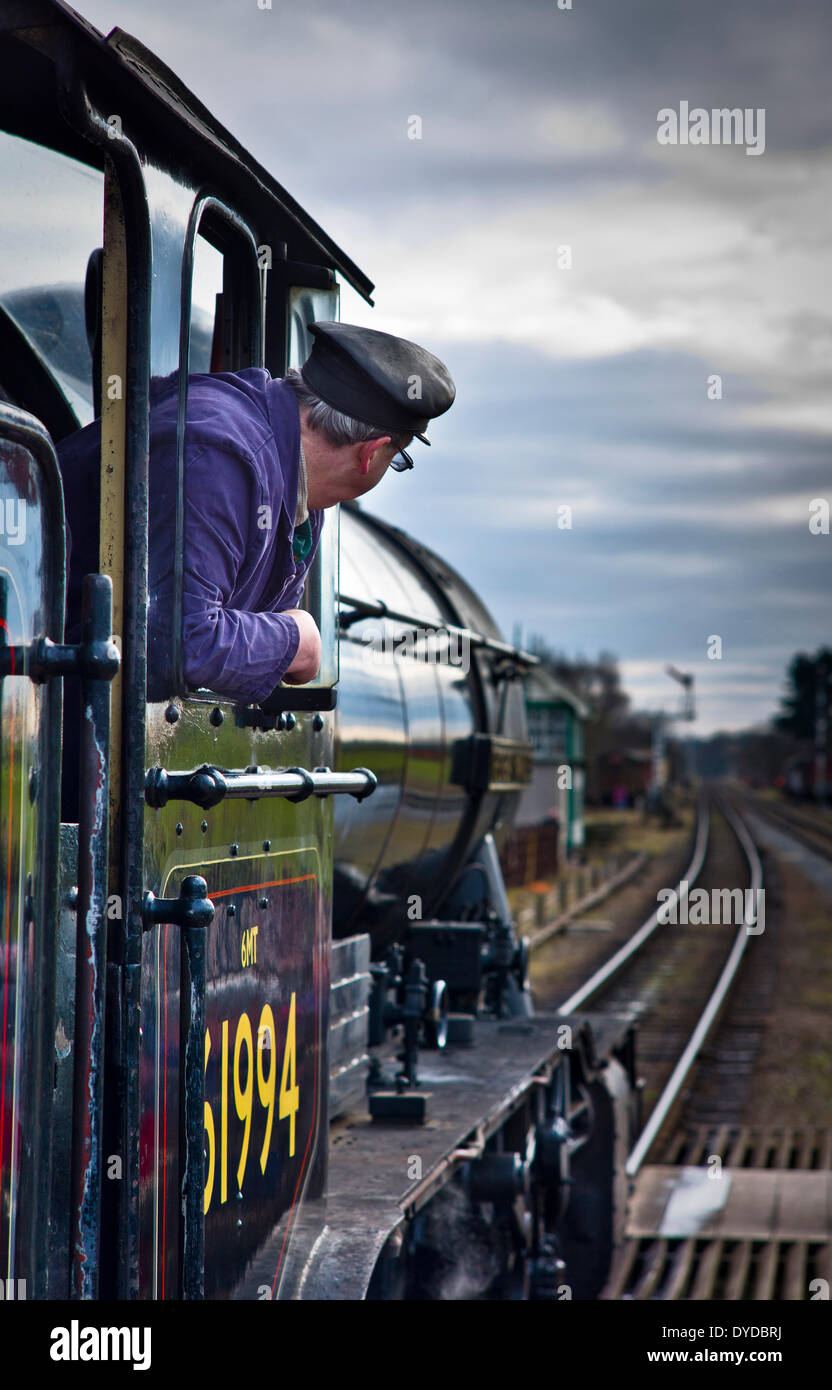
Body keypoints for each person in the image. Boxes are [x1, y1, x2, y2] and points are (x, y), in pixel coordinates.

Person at [58, 322, 455, 705]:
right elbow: (175, 641)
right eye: (397, 458)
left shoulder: (299, 486)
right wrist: (296, 641)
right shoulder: (220, 457)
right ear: (371, 454)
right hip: (50, 709)